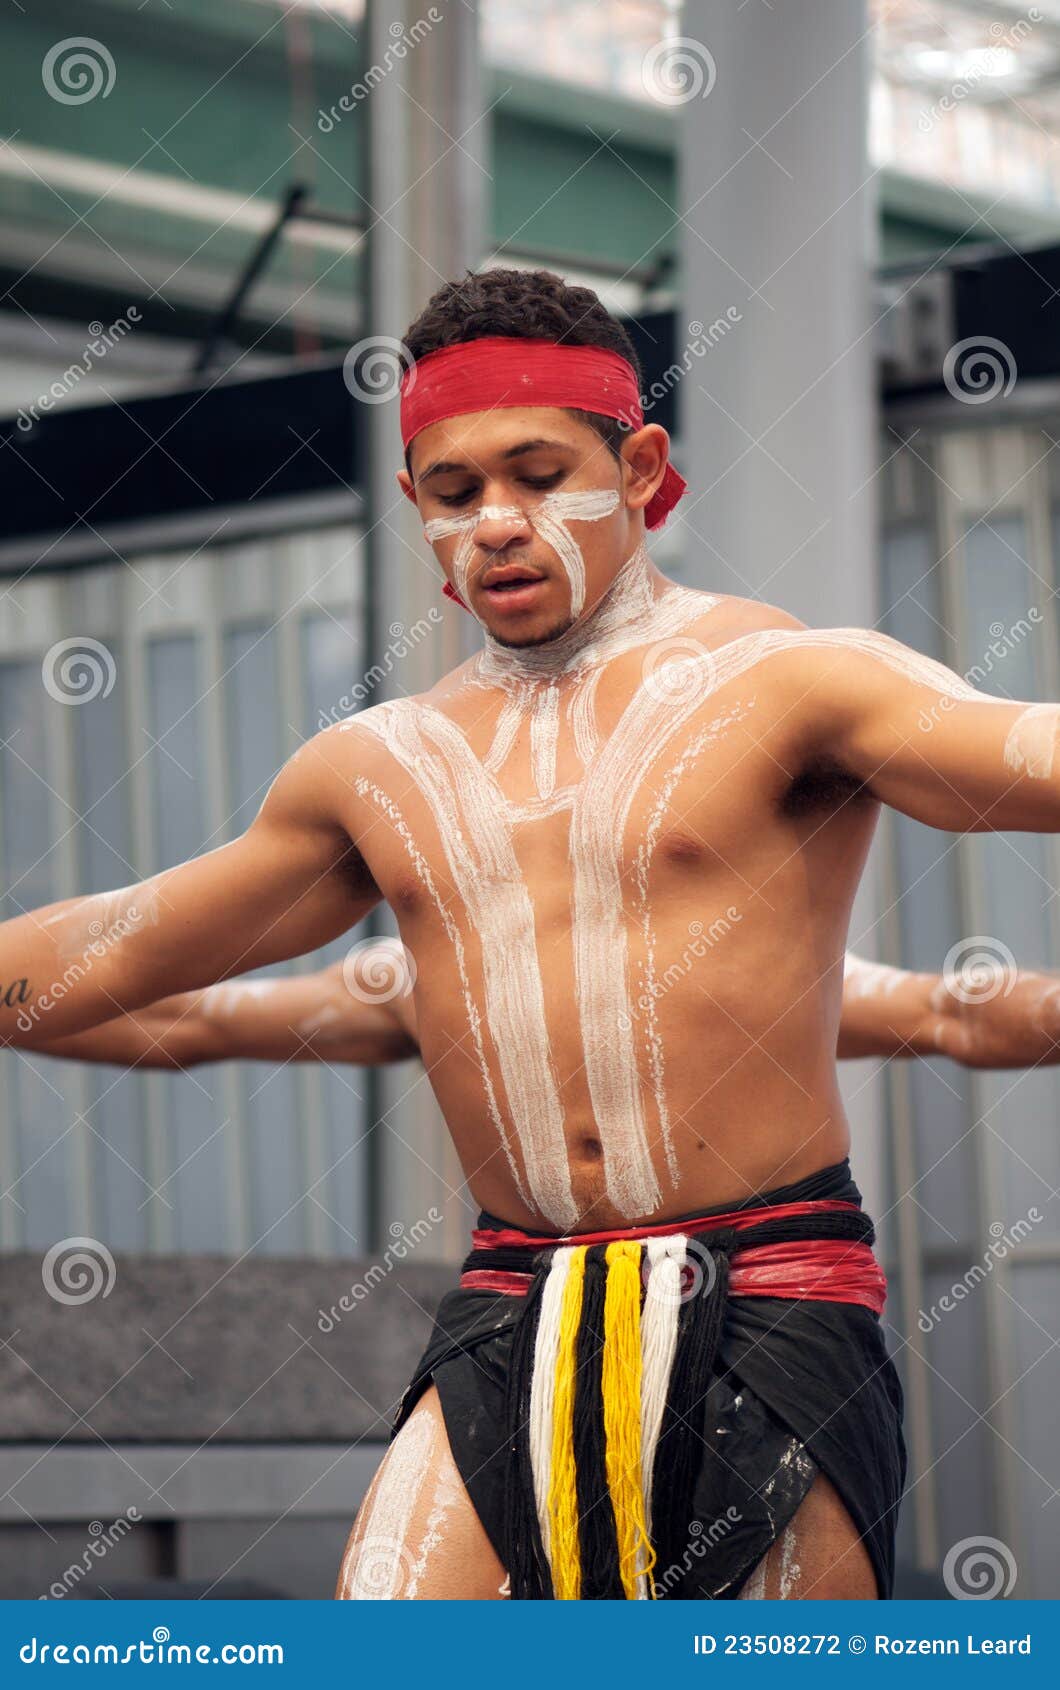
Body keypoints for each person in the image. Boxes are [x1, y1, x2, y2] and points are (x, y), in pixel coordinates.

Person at [3, 266, 1060, 1600]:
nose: (498, 521)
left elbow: (1023, 761)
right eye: (455, 492)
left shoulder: (789, 680)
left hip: (771, 1283)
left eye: (540, 474)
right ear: (416, 506)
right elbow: (119, 952)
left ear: (640, 468)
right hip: (514, 1297)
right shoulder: (374, 766)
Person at [27, 944, 1060, 1075]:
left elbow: (956, 1011)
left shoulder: (732, 964)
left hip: (753, 1300)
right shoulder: (432, 971)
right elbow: (194, 1023)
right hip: (521, 1306)